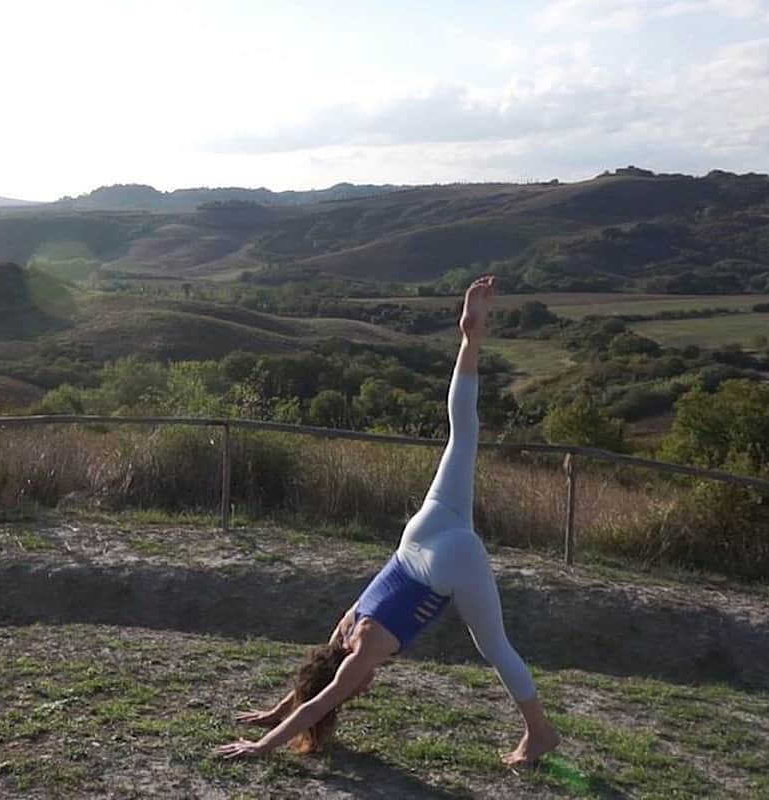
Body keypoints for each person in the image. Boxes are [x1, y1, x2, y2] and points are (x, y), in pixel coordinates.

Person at [215, 275, 560, 766]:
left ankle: (540, 732)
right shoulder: (344, 628)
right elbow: (313, 682)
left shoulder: (359, 654)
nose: (361, 690)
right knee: (462, 437)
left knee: (496, 648)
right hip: (420, 532)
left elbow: (320, 699)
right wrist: (274, 710)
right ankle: (470, 339)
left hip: (450, 561)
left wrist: (262, 744)